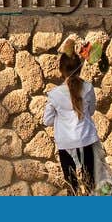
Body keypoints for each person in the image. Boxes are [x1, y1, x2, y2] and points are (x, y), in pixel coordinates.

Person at [43, 48, 99, 194]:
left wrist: (60, 115)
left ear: (61, 70)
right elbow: (91, 111)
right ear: (80, 69)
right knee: (90, 183)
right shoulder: (88, 88)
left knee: (71, 185)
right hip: (86, 140)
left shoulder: (54, 94)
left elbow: (47, 120)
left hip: (66, 143)